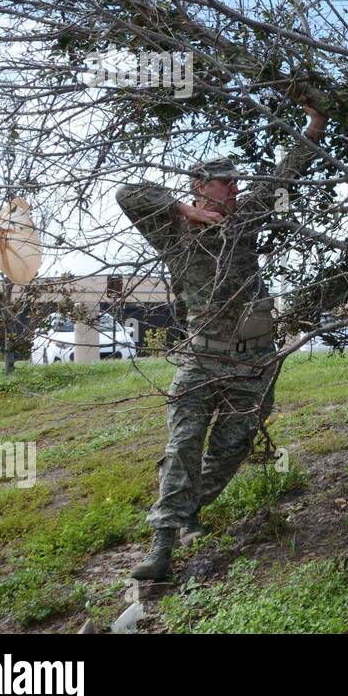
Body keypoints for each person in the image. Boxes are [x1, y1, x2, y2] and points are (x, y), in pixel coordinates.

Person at [117, 105, 328, 581]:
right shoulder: (172, 230)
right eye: (224, 182)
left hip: (253, 362)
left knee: (233, 448)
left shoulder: (246, 217)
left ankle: (188, 509)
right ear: (200, 185)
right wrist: (183, 211)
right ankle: (163, 546)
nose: (234, 188)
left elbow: (286, 173)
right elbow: (127, 193)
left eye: (236, 182)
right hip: (201, 356)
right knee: (183, 446)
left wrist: (314, 125)